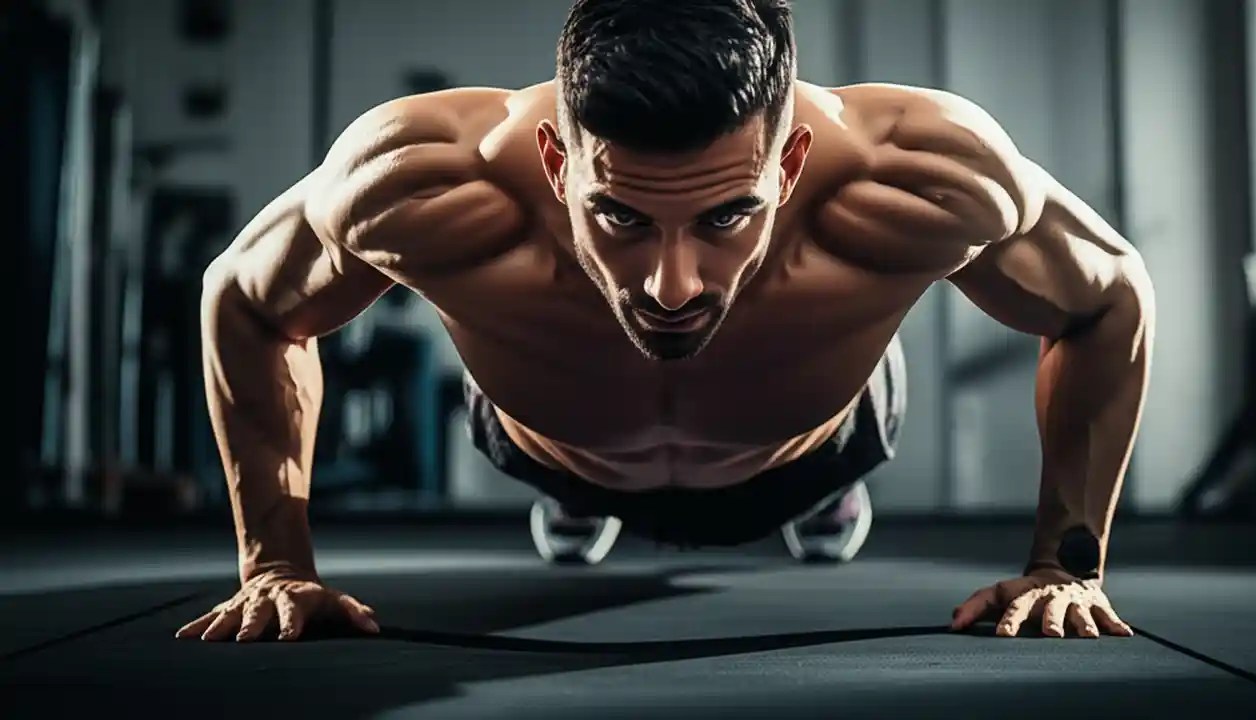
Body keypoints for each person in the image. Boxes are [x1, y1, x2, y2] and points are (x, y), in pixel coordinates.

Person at [177, 0, 1151, 644]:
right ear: (561, 167)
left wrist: (1061, 566)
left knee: (805, 408)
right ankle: (578, 494)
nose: (671, 286)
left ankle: (820, 499)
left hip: (812, 441)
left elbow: (1104, 292)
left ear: (791, 162)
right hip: (546, 439)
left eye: (727, 215)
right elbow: (248, 300)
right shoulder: (423, 181)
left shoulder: (923, 177)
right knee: (578, 412)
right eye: (620, 218)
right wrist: (274, 566)